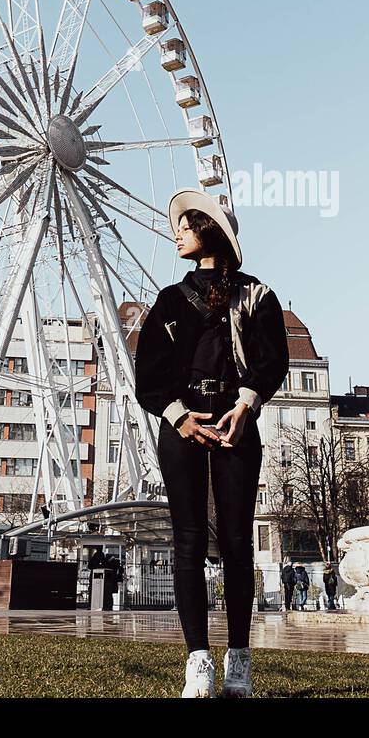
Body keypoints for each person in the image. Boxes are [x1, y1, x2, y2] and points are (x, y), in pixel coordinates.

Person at [135, 188, 289, 698]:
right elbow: (149, 374)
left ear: (210, 233)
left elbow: (273, 362)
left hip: (235, 419)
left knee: (239, 542)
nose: (175, 233)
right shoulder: (168, 301)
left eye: (185, 226)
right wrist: (178, 417)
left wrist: (246, 406)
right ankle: (197, 660)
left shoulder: (258, 296)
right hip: (183, 422)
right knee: (187, 542)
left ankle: (239, 660)